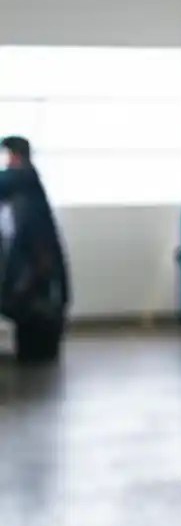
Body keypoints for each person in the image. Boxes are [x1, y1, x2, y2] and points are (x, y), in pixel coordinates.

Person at [0, 136, 69, 363]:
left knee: (30, 310)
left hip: (33, 267)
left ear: (16, 156)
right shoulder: (29, 183)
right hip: (35, 266)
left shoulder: (23, 177)